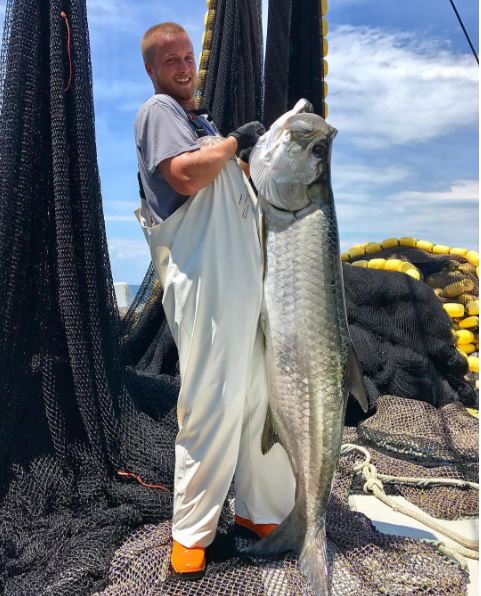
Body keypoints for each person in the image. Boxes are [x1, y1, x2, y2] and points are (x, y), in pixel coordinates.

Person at [134, 22, 295, 578]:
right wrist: (231, 145)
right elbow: (183, 176)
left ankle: (264, 516)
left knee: (259, 401)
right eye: (171, 61)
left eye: (187, 58)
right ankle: (191, 539)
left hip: (245, 292)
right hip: (206, 287)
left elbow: (244, 180)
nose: (184, 67)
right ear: (154, 70)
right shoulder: (159, 113)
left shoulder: (201, 125)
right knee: (212, 401)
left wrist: (259, 154)